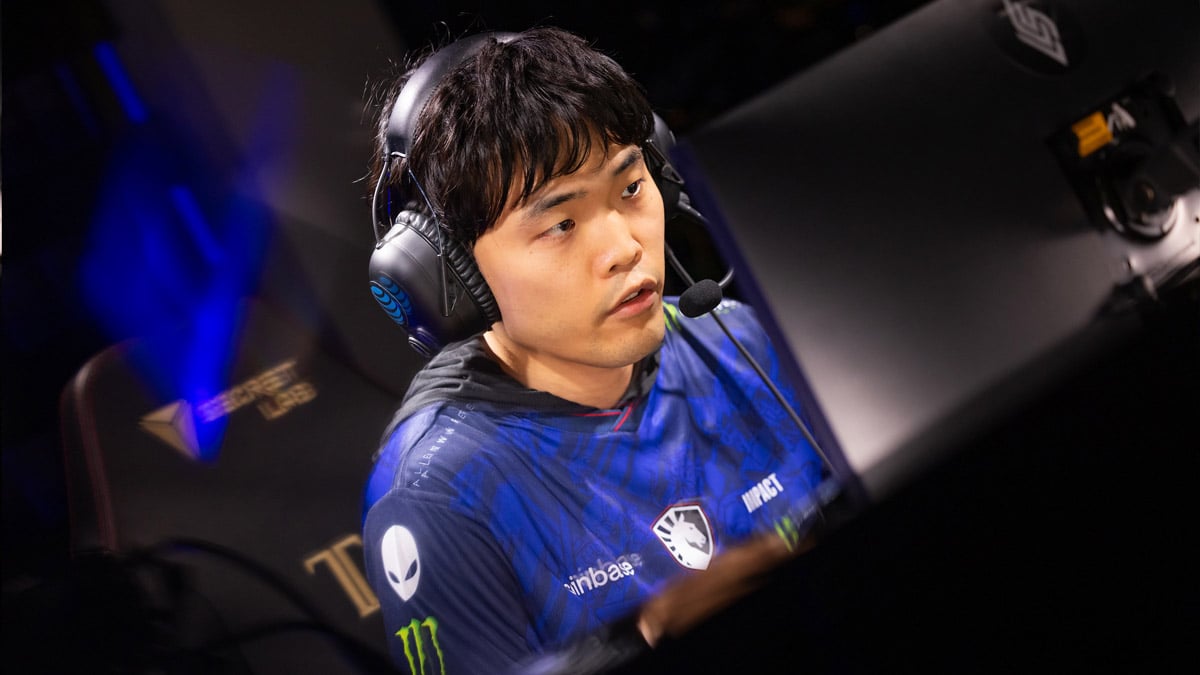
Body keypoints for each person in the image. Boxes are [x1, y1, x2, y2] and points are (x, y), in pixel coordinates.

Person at [361, 27, 839, 674]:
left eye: (631, 189)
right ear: (454, 277)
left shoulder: (740, 342)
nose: (624, 248)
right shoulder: (437, 497)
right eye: (561, 223)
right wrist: (643, 639)